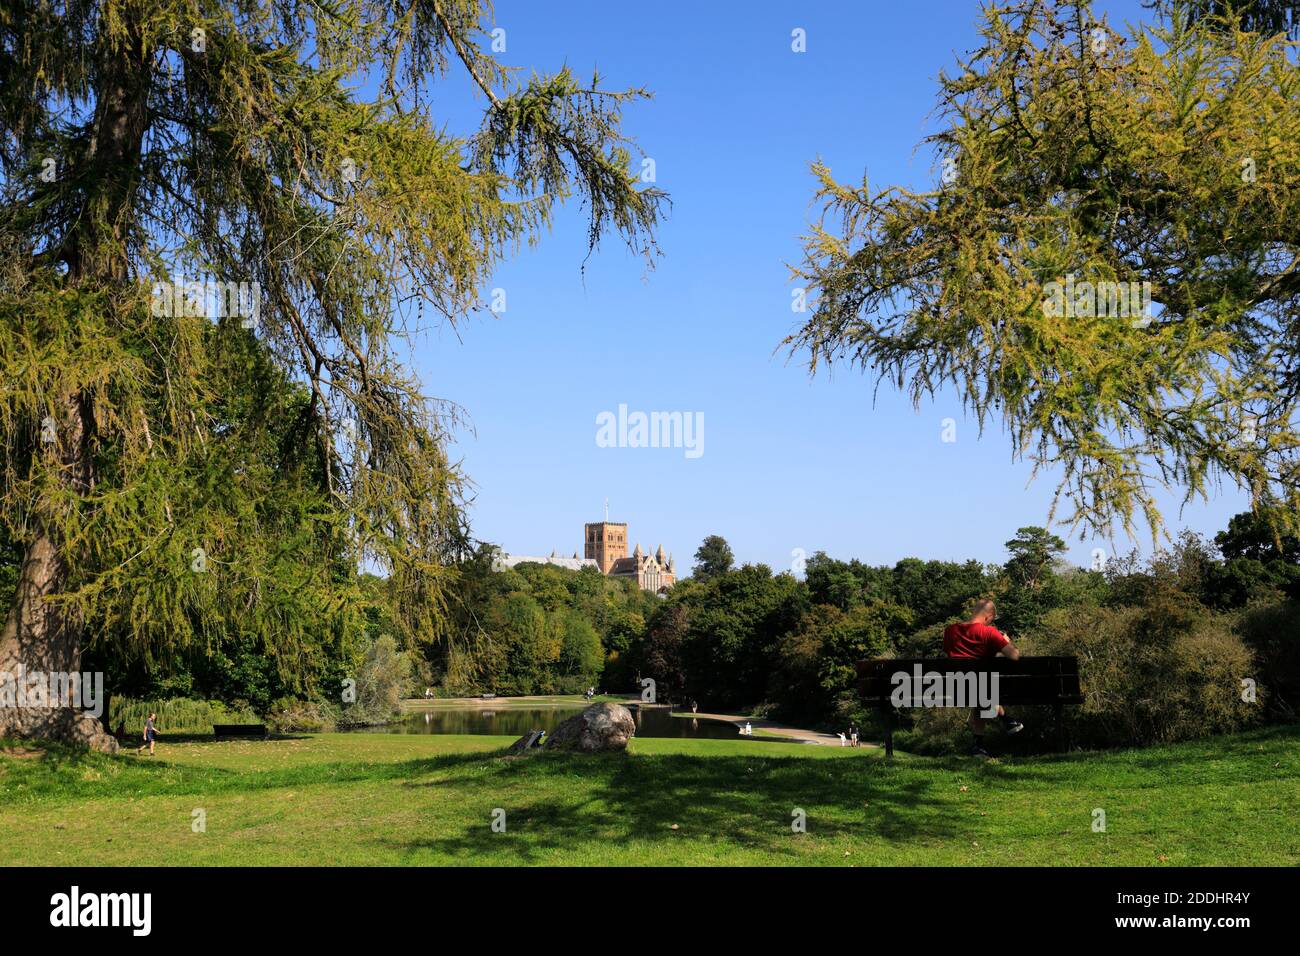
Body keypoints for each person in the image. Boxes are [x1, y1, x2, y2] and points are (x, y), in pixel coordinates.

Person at [943, 599, 1024, 756]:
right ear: (988, 616)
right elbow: (1014, 656)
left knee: (979, 689)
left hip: (956, 688)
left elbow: (951, 653)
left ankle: (979, 745)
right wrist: (1005, 642)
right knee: (983, 686)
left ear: (974, 611)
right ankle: (1006, 719)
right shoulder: (990, 632)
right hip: (984, 687)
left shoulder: (950, 631)